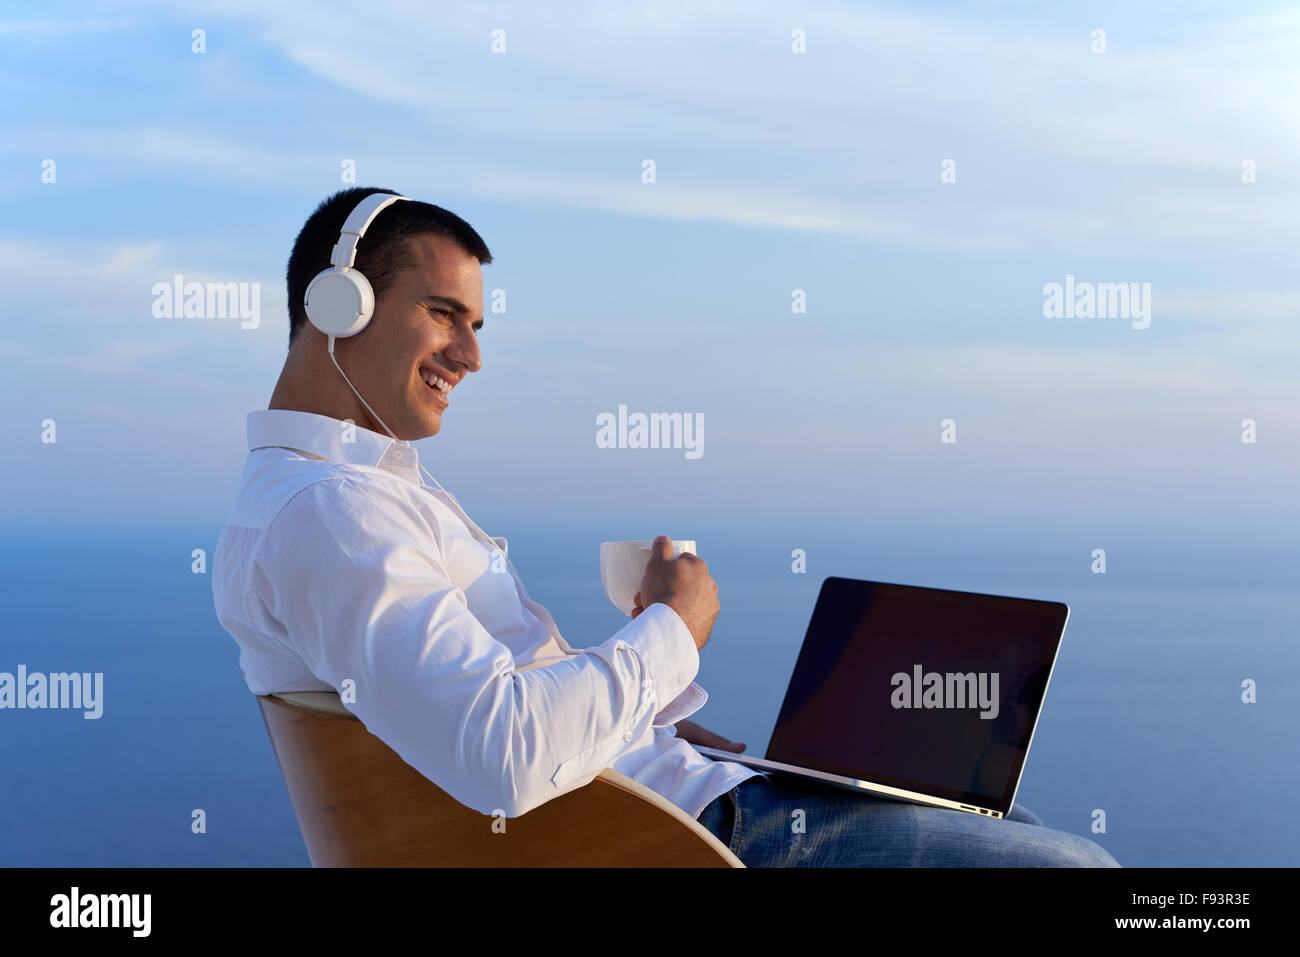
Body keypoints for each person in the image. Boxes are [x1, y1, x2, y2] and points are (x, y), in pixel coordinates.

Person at [212, 186, 1119, 867]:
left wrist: (641, 715)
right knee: (1076, 867)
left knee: (1002, 815)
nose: (473, 354)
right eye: (444, 313)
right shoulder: (330, 513)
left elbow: (481, 704)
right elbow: (503, 753)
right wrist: (672, 631)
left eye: (477, 323)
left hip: (664, 797)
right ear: (338, 304)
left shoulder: (345, 496)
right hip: (686, 835)